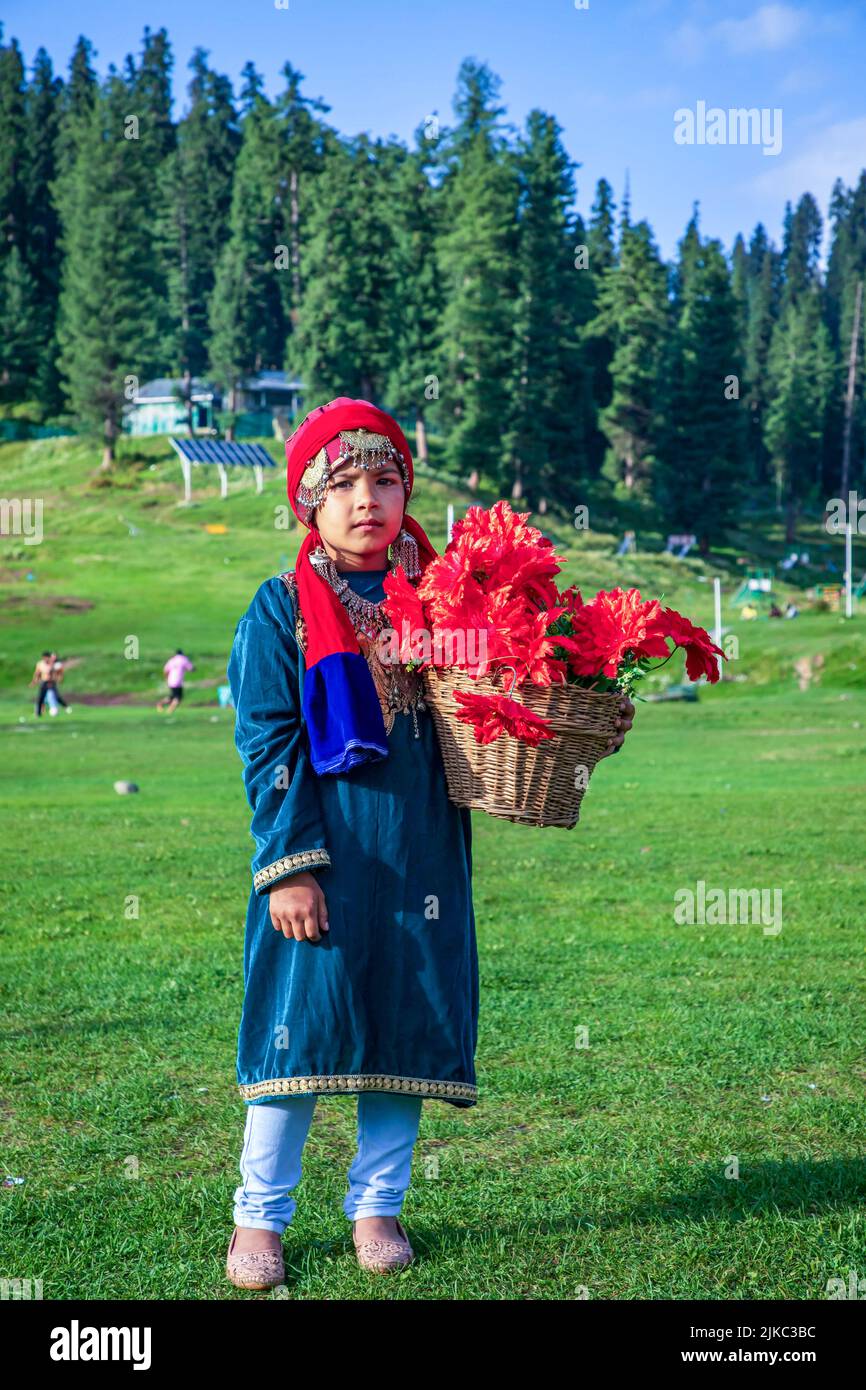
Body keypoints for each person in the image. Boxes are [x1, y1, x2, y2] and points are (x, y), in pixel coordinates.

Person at [224, 397, 634, 1288]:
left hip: (420, 851)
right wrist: (289, 870)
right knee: (299, 1036)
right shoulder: (280, 607)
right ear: (308, 502)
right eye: (344, 485)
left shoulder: (449, 597)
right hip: (323, 853)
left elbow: (505, 700)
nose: (367, 498)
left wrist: (580, 706)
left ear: (408, 488)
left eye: (385, 479)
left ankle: (378, 1206)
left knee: (405, 1030)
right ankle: (259, 1220)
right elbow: (268, 743)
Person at [29, 650, 70, 717]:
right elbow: (37, 674)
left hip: (52, 682)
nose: (46, 659)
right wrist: (34, 682)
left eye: (47, 657)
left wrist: (59, 678)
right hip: (44, 682)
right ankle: (38, 713)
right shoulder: (40, 664)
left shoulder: (53, 664)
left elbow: (59, 671)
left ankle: (66, 707)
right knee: (40, 698)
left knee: (57, 696)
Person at [156, 649, 194, 713]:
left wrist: (166, 678)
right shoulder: (183, 659)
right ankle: (169, 709)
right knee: (178, 697)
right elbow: (191, 668)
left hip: (170, 680)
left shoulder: (172, 660)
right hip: (178, 681)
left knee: (173, 696)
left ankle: (161, 704)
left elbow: (165, 670)